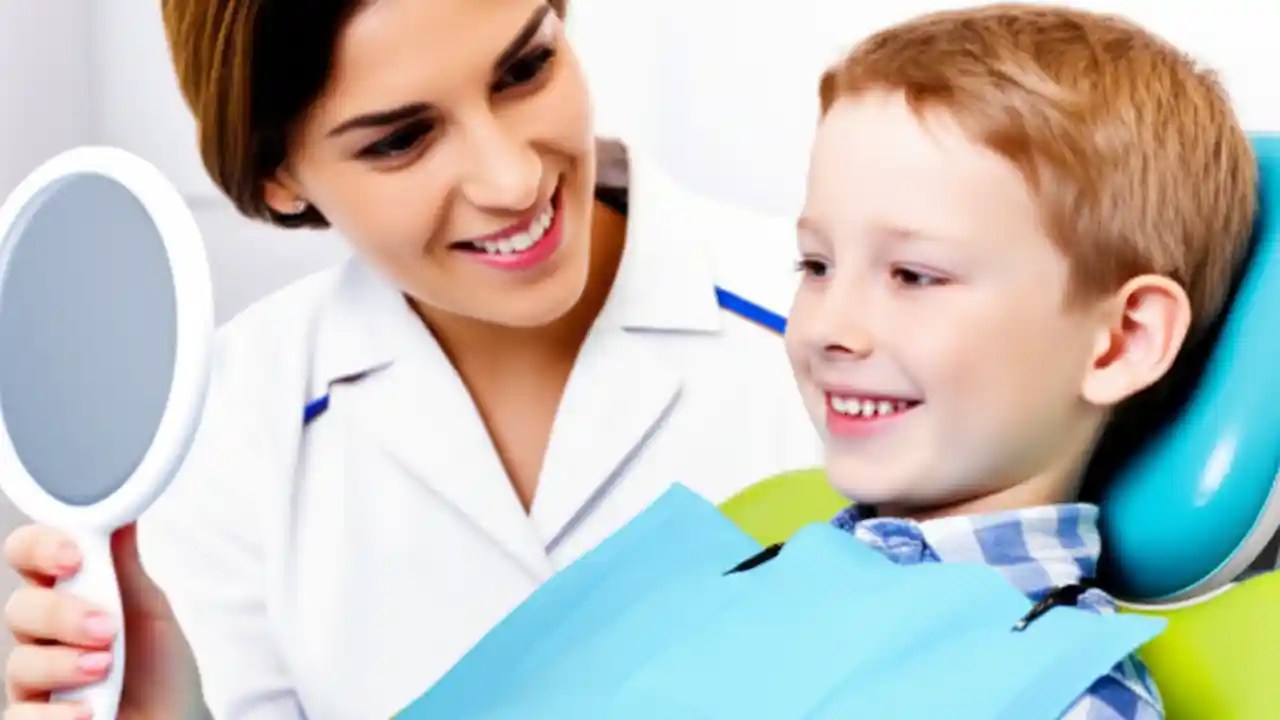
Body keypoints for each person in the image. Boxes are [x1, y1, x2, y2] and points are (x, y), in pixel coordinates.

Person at [2, 1, 819, 718]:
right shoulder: (222, 432)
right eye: (401, 139)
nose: (513, 178)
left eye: (527, 68)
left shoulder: (842, 332)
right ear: (279, 174)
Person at [787, 4, 1256, 718]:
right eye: (815, 264)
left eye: (914, 275)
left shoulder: (1066, 699)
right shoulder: (768, 581)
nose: (829, 326)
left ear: (1121, 341)